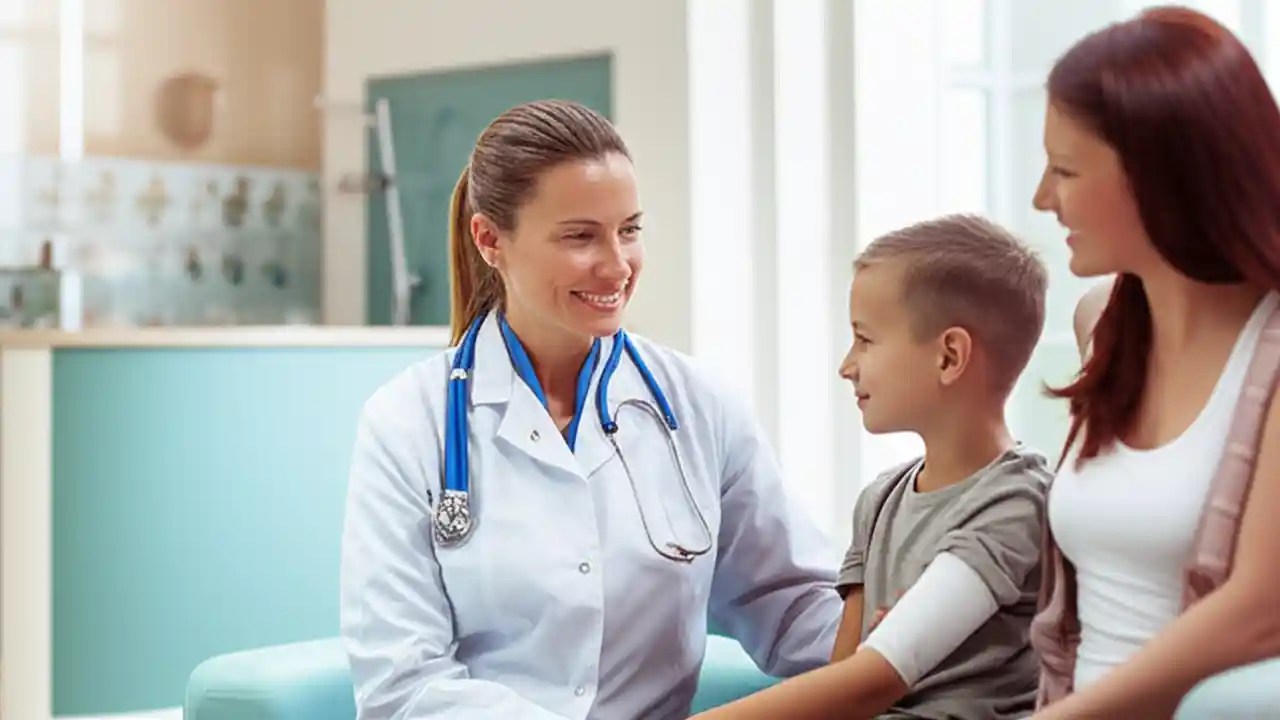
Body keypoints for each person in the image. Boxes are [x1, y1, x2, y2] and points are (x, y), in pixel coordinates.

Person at [337, 99, 842, 719]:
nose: (617, 264)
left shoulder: (698, 405)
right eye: (580, 236)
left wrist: (926, 640)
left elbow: (790, 604)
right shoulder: (407, 422)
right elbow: (403, 685)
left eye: (629, 229)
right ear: (490, 239)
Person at [694, 214, 1051, 719]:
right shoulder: (881, 500)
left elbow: (873, 679)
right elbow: (840, 683)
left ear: (949, 356)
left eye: (865, 339)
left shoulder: (1016, 502)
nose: (847, 364)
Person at [1028, 6, 1280, 718]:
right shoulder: (1102, 326)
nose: (1042, 198)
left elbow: (1262, 610)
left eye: (1065, 170)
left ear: (1160, 176)